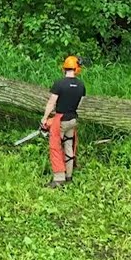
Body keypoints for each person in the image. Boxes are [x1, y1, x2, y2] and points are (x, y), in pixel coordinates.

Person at [40, 55, 85, 188]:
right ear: (77, 69)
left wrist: (44, 119)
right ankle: (69, 175)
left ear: (64, 68)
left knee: (55, 147)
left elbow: (51, 103)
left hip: (60, 119)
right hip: (72, 119)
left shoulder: (59, 83)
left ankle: (59, 178)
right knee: (68, 145)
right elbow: (80, 104)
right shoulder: (81, 85)